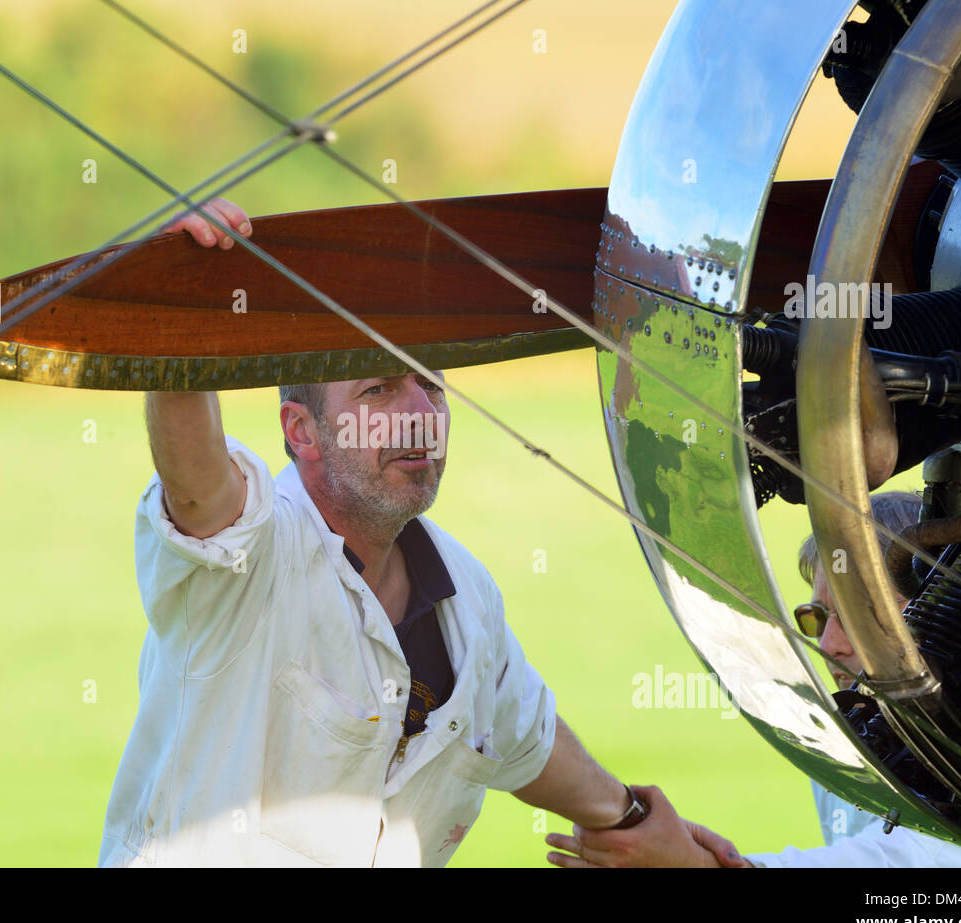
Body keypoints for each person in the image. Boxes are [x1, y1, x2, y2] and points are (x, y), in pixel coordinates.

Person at [96, 198, 708, 866]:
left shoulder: (467, 595)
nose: (419, 412)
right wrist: (180, 308)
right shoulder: (252, 556)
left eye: (432, 385)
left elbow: (520, 733)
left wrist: (633, 821)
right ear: (303, 432)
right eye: (380, 390)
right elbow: (197, 486)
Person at [545, 490, 961, 868]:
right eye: (817, 616)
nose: (828, 644)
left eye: (857, 614)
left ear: (941, 613)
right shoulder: (859, 738)